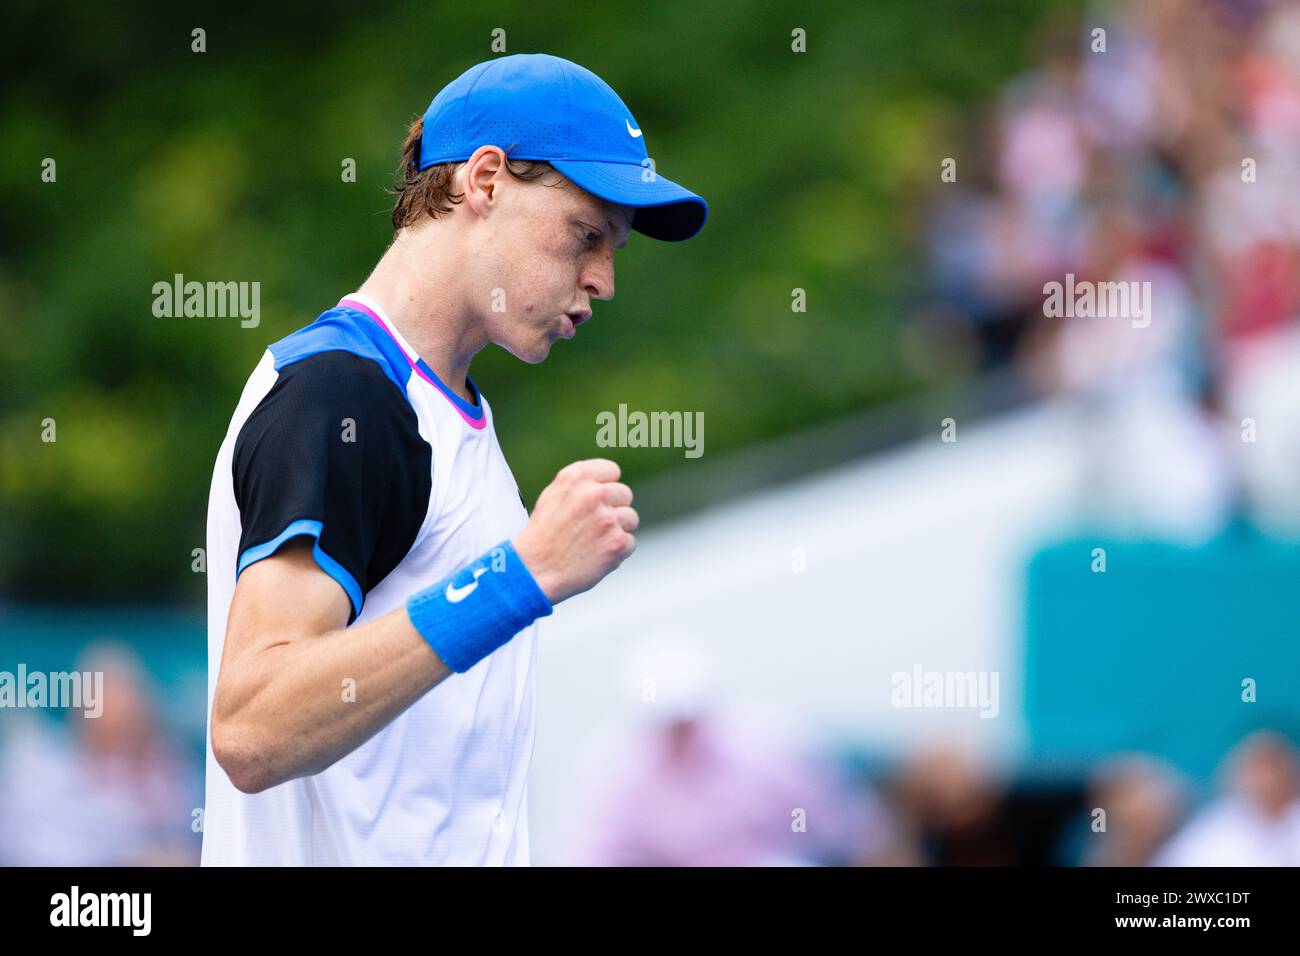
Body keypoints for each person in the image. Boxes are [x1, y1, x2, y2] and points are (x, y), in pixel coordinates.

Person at [200, 53, 707, 865]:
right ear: (484, 180)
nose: (605, 280)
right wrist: (522, 576)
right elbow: (252, 726)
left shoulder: (434, 406)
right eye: (586, 235)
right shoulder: (345, 396)